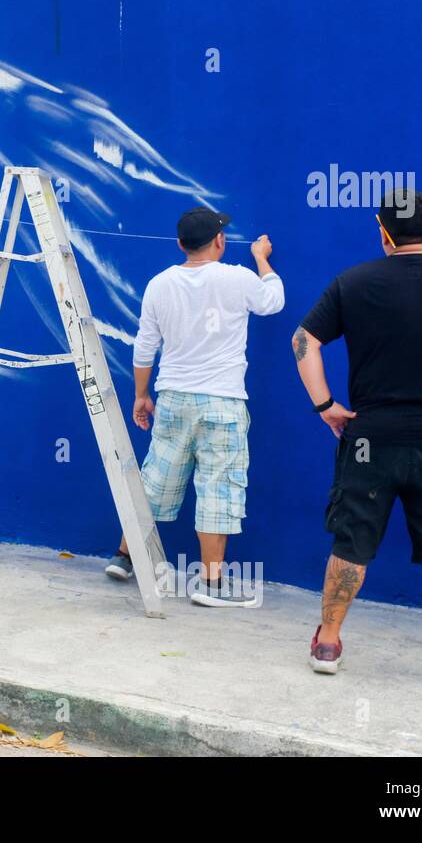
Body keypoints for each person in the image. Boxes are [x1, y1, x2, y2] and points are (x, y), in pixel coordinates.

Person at [292, 188, 422, 685]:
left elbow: (303, 340)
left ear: (382, 232)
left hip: (370, 440)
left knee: (351, 545)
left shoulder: (353, 281)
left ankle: (327, 643)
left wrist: (325, 406)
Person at [105, 208, 284, 606]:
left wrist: (141, 394)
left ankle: (124, 556)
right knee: (218, 488)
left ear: (180, 244)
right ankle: (212, 584)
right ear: (219, 241)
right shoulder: (238, 278)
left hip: (172, 397)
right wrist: (262, 259)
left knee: (155, 479)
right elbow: (273, 301)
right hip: (222, 401)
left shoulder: (159, 284)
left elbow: (144, 346)